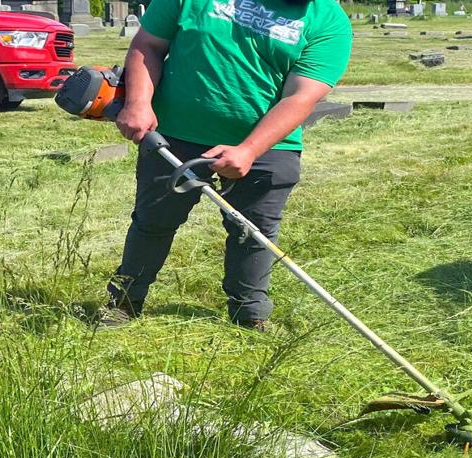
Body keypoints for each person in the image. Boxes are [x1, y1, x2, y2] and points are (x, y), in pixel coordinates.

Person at [101, 0, 352, 331]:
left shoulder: (329, 21)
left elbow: (301, 96)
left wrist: (249, 149)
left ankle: (249, 314)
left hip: (267, 146)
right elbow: (149, 43)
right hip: (176, 134)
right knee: (153, 222)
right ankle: (124, 302)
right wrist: (137, 103)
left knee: (254, 232)